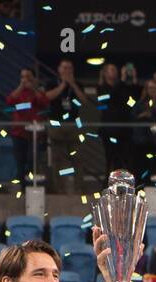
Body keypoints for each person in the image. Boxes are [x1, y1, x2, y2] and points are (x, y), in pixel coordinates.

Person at [45, 59, 88, 194]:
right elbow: (47, 97)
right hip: (56, 125)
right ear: (59, 70)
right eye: (64, 68)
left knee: (78, 158)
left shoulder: (78, 84)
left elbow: (84, 100)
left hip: (74, 125)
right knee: (57, 159)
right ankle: (59, 190)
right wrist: (63, 85)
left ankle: (78, 188)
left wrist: (72, 84)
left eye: (69, 68)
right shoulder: (51, 83)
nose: (67, 71)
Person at [6, 67, 48, 185]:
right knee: (20, 162)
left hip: (35, 134)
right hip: (18, 133)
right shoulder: (18, 92)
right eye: (23, 77)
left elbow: (44, 102)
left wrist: (34, 89)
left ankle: (31, 187)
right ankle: (22, 189)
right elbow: (9, 100)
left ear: (34, 78)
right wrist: (21, 86)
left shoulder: (38, 92)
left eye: (28, 77)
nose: (26, 80)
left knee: (32, 162)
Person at [96, 63, 135, 178]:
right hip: (109, 129)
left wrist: (132, 81)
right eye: (112, 69)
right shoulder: (101, 87)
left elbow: (131, 102)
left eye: (116, 69)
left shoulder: (123, 87)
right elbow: (108, 98)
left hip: (124, 129)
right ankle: (108, 185)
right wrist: (122, 81)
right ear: (105, 73)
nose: (115, 72)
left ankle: (125, 184)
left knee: (125, 158)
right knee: (111, 158)